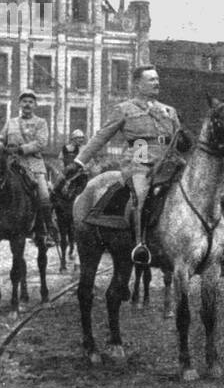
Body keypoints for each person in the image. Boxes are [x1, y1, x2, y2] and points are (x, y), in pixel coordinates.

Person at [69, 65, 180, 266]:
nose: (157, 82)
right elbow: (101, 137)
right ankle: (140, 244)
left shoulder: (169, 111)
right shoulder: (125, 109)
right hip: (140, 159)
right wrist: (79, 161)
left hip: (169, 162)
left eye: (157, 79)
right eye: (151, 80)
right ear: (138, 84)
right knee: (141, 194)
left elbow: (180, 139)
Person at [0, 89, 61, 248]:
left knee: (44, 195)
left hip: (33, 166)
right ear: (19, 104)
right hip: (12, 164)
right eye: (24, 101)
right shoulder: (11, 122)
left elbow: (41, 142)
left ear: (35, 105)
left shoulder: (41, 123)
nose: (27, 104)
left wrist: (21, 149)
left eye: (30, 102)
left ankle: (47, 231)